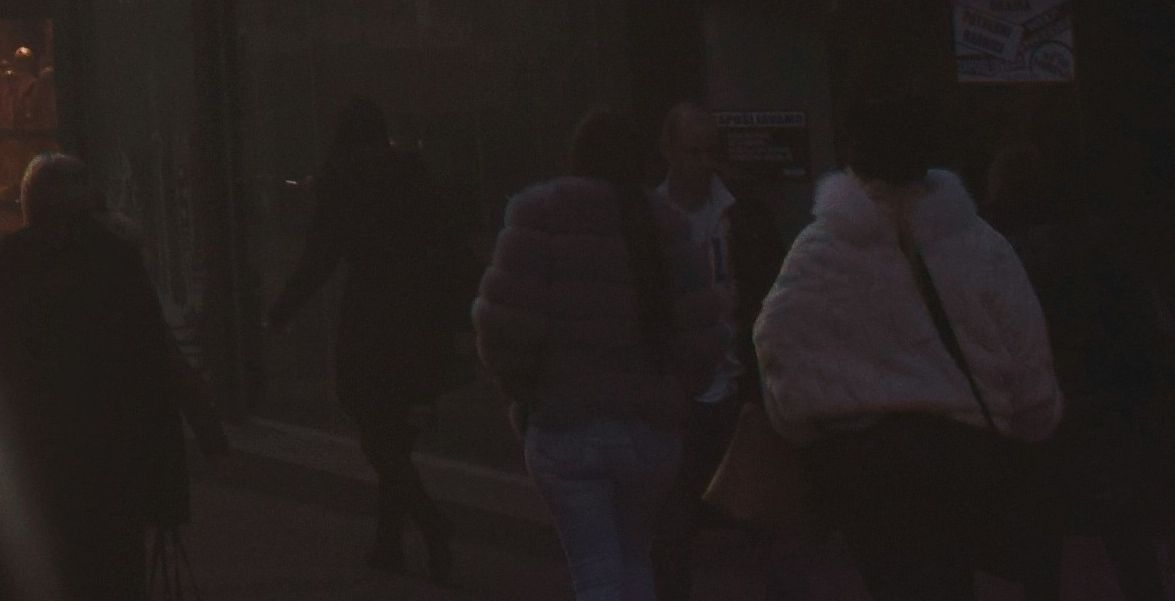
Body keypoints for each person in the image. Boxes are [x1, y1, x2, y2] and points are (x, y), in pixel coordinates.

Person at [751, 86, 1058, 601]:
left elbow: (777, 339)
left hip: (868, 461)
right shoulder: (977, 243)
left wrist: (803, 420)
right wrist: (1030, 419)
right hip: (962, 451)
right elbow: (1024, 342)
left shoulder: (819, 251)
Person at [477, 110, 722, 601]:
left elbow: (501, 325)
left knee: (596, 569)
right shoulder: (667, 226)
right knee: (634, 559)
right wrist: (676, 394)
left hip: (565, 424)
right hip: (651, 434)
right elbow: (704, 335)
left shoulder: (539, 215)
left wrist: (525, 394)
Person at [0, 153, 198, 601]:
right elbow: (151, 377)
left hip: (23, 470)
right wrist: (168, 493)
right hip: (106, 474)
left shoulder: (0, 265)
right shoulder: (117, 266)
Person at [271, 100, 468, 579]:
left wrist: (278, 313)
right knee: (393, 432)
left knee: (372, 424)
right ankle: (390, 545)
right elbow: (447, 240)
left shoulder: (343, 183)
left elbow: (319, 260)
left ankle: (429, 522)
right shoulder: (412, 173)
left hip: (371, 316)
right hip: (420, 316)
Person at [982, 144, 1164, 601]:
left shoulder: (1002, 252)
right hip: (1105, 403)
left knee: (1040, 542)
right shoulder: (1104, 242)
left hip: (1034, 404)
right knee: (1129, 540)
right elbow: (1145, 329)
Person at [651, 107, 794, 601]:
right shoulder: (651, 217)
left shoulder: (742, 214)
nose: (705, 163)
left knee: (764, 522)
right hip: (679, 392)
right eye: (694, 151)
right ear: (668, 151)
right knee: (672, 527)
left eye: (712, 151)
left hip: (736, 387)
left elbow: (773, 292)